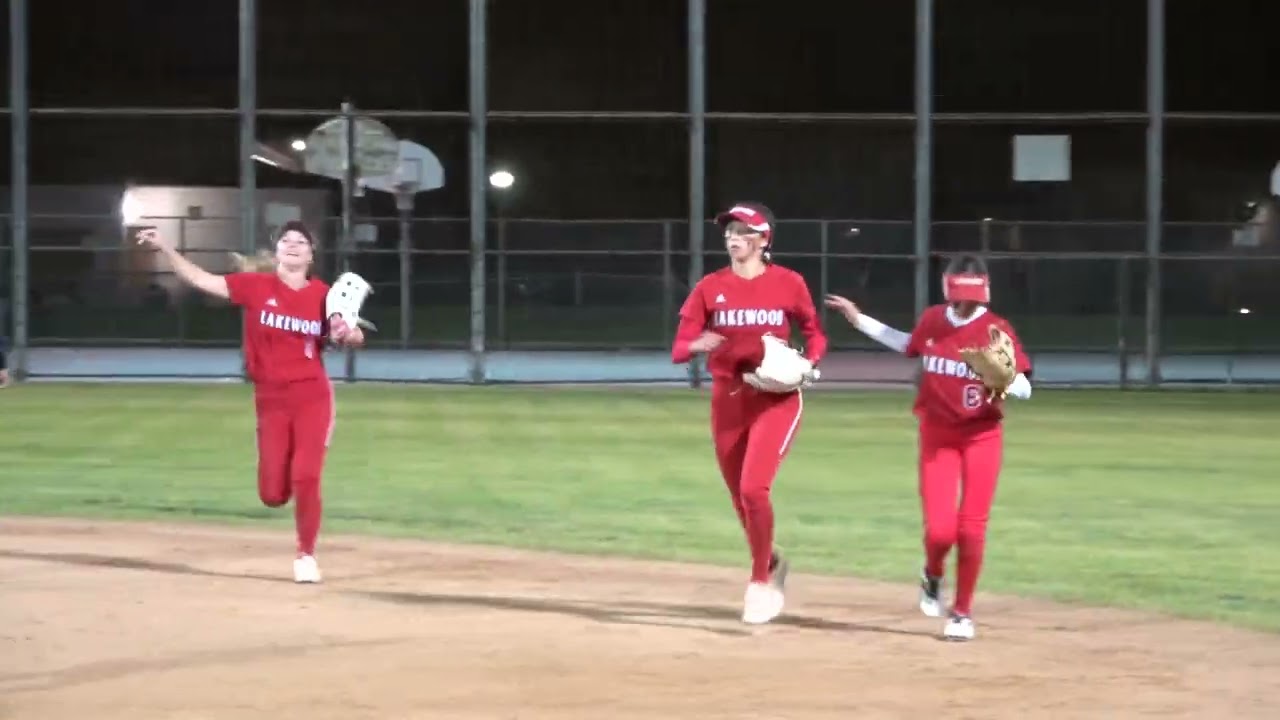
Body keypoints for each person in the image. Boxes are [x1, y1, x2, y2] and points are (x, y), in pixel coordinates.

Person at [136, 222, 366, 583]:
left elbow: (355, 334)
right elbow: (200, 279)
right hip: (270, 399)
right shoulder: (255, 287)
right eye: (286, 241)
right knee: (273, 494)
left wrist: (347, 333)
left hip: (312, 396)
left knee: (307, 476)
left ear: (311, 254)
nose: (292, 245)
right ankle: (287, 478)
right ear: (276, 252)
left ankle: (306, 555)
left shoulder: (325, 294)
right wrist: (166, 248)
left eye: (301, 241)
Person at [824, 254, 1032, 642]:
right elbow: (909, 344)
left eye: (972, 298)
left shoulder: (995, 330)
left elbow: (1025, 387)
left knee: (971, 529)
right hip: (937, 436)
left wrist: (1001, 376)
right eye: (960, 296)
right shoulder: (934, 319)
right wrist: (860, 320)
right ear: (948, 291)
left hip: (981, 436)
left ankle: (963, 612)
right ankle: (933, 574)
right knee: (940, 532)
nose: (964, 305)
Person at [671, 202, 827, 625]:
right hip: (729, 401)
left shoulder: (788, 283)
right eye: (729, 232)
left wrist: (811, 361)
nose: (733, 238)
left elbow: (814, 332)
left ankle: (759, 582)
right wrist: (695, 346)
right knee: (741, 499)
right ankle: (772, 561)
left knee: (755, 489)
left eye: (742, 231)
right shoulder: (710, 287)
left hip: (776, 400)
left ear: (763, 239)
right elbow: (678, 347)